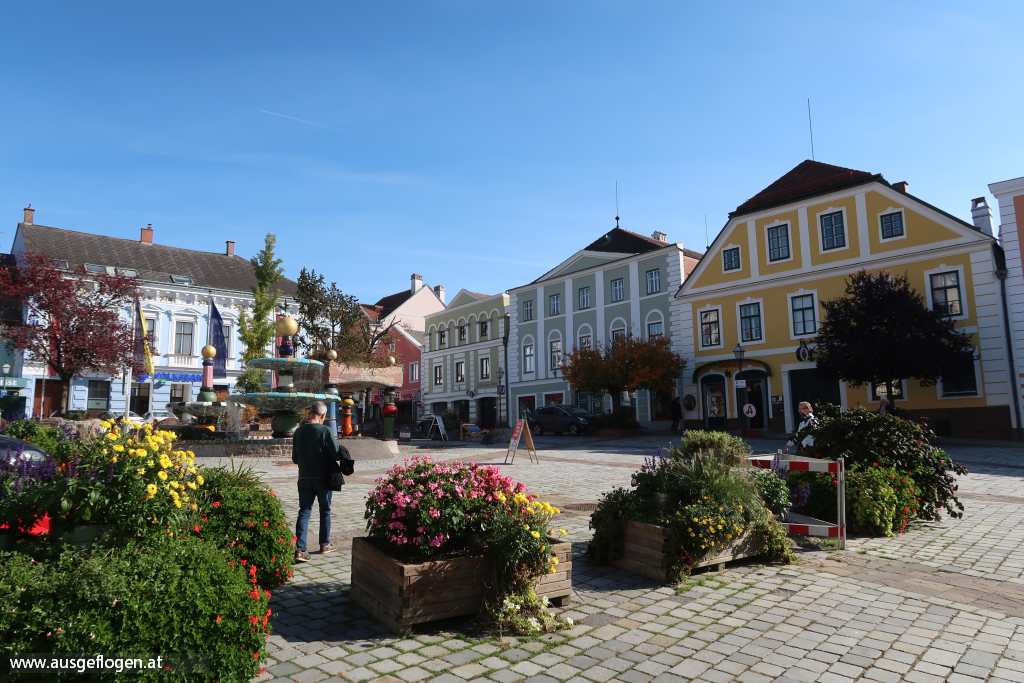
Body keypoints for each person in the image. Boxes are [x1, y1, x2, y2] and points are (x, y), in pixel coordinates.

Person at [292, 401, 353, 563]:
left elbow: (295, 459)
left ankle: (300, 549)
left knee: (304, 511)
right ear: (323, 416)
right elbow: (335, 454)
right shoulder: (325, 431)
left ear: (309, 413)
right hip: (323, 478)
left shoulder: (298, 432)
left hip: (304, 478)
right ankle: (324, 544)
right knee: (325, 510)